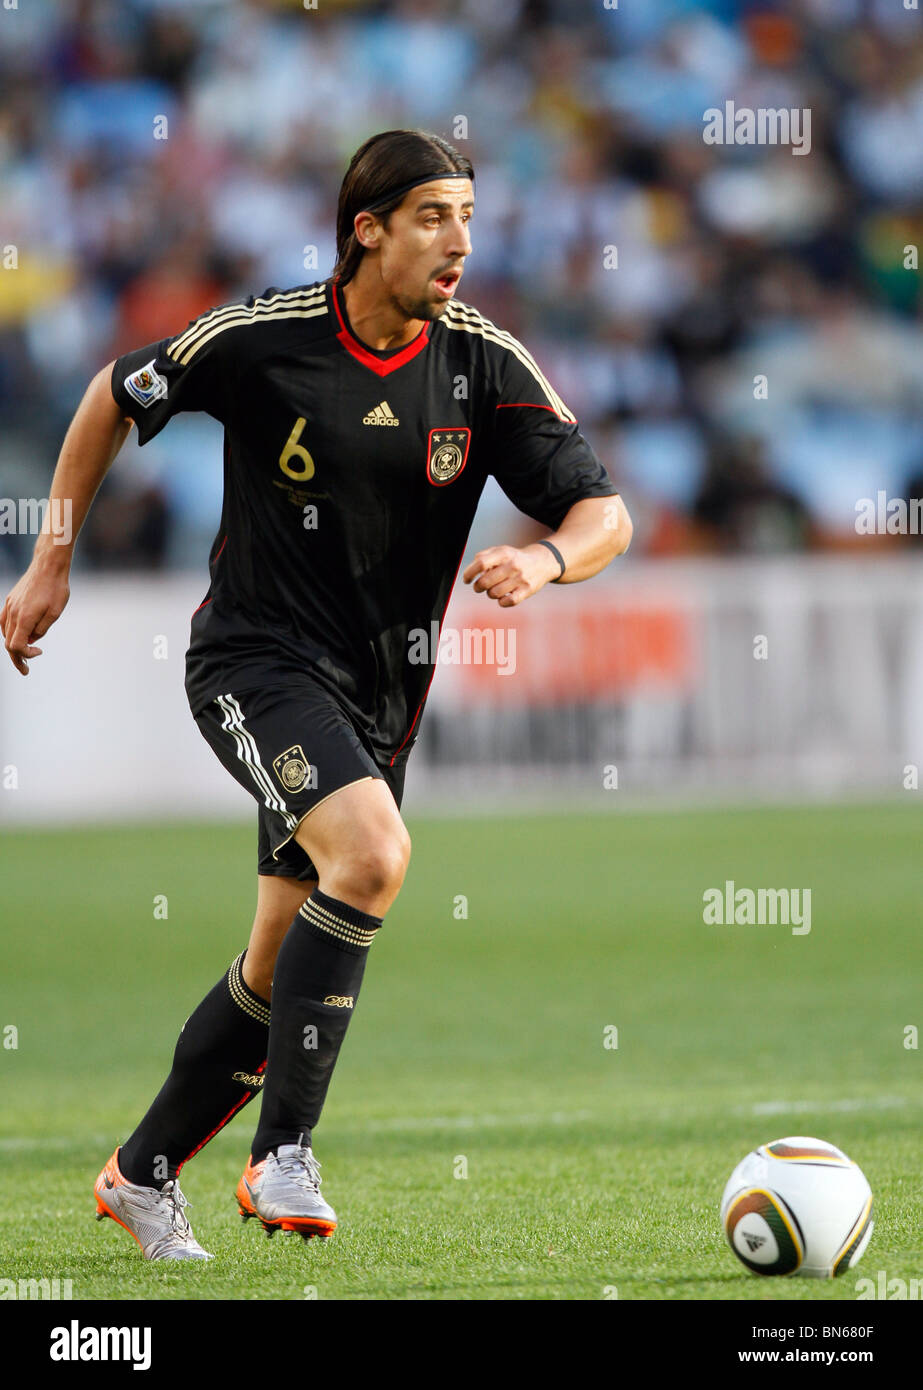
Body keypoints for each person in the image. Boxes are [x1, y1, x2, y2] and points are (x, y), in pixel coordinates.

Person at [1, 129, 633, 1260]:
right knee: (375, 860)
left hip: (377, 696)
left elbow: (604, 514)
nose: (460, 241)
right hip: (253, 661)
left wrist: (542, 560)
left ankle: (142, 1173)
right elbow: (110, 395)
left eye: (470, 217)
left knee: (274, 963)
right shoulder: (265, 337)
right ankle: (284, 1149)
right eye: (434, 215)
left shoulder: (480, 362)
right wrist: (51, 558)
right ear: (368, 229)